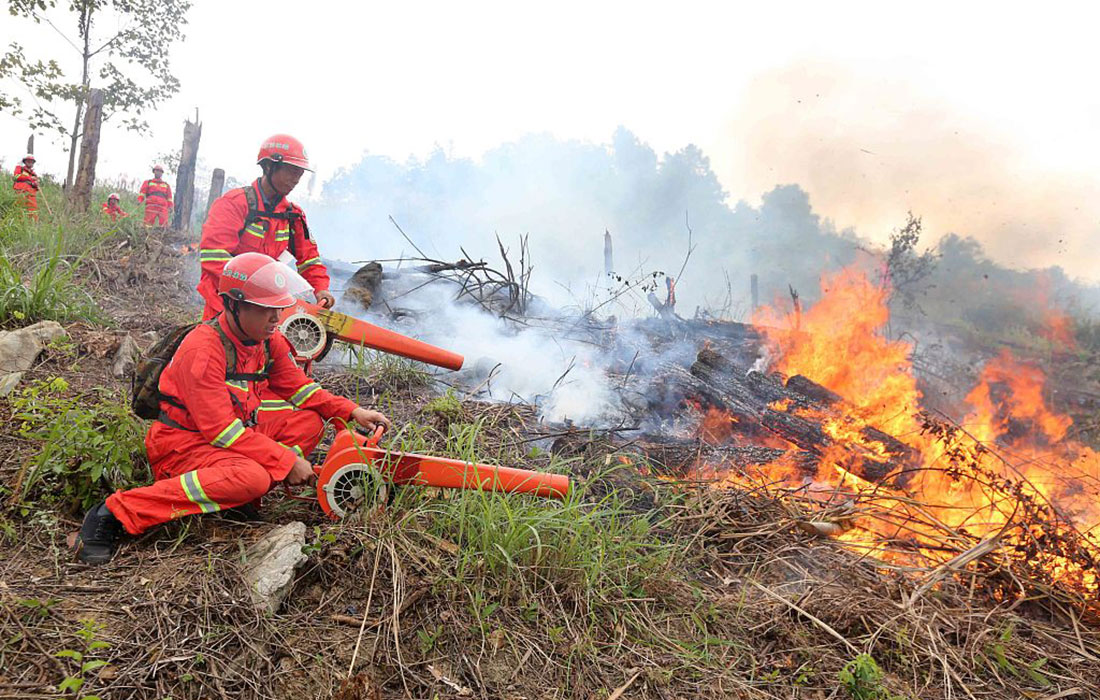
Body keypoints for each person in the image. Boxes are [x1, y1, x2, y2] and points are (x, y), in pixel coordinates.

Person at [74, 252, 391, 565]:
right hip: (181, 447)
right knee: (253, 478)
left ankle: (237, 496)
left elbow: (300, 388)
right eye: (266, 310)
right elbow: (220, 431)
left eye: (278, 309)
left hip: (234, 435)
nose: (275, 319)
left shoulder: (267, 340)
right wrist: (286, 460)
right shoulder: (203, 350)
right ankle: (116, 512)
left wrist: (351, 411)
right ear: (234, 305)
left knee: (308, 422)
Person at [197, 134, 335, 322]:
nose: (297, 178)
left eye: (300, 172)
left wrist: (321, 289)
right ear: (269, 167)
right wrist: (251, 288)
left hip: (265, 306)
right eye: (292, 170)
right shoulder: (234, 204)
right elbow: (213, 256)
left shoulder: (293, 216)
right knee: (217, 350)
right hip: (225, 303)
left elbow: (309, 260)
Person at [12, 153, 39, 217]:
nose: (30, 162)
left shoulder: (34, 174)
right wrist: (29, 178)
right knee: (20, 210)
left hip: (31, 195)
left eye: (31, 161)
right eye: (28, 160)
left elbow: (36, 187)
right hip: (21, 192)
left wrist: (35, 184)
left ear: (33, 163)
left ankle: (32, 226)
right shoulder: (19, 169)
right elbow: (15, 177)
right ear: (25, 162)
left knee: (33, 212)